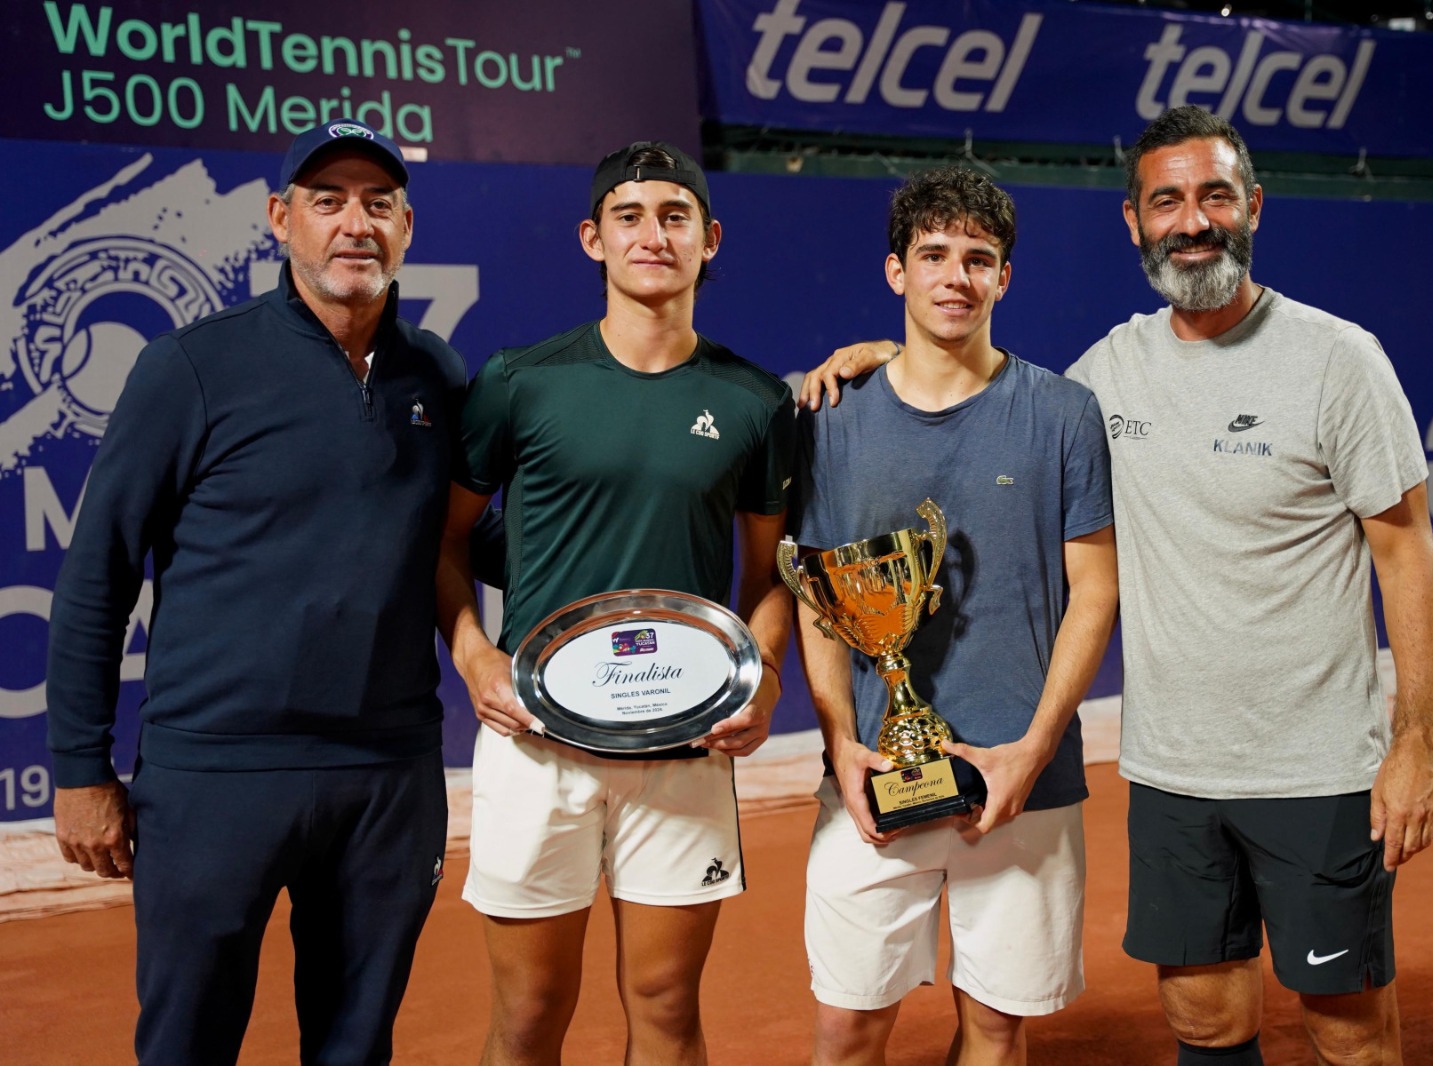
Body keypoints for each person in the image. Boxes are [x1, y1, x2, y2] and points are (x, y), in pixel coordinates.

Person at [800, 106, 1433, 1066]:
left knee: (1349, 1033)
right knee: (1203, 1021)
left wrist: (1418, 746)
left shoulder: (1338, 361)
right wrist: (879, 359)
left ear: (1253, 207)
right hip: (1172, 774)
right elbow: (973, 389)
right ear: (1134, 222)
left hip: (1316, 773)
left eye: (1214, 196)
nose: (1192, 221)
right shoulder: (1106, 376)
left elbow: (1408, 558)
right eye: (1167, 201)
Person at [47, 119, 465, 1063]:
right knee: (188, 1045)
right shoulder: (188, 369)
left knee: (355, 1049)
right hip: (215, 780)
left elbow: (473, 544)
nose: (354, 224)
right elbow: (96, 576)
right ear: (281, 220)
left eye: (377, 204)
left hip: (386, 777)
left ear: (407, 227)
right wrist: (79, 769)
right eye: (327, 202)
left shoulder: (435, 374)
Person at [434, 141, 793, 1066]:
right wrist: (475, 652)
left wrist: (765, 681)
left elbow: (767, 576)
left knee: (668, 1007)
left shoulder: (753, 402)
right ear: (592, 239)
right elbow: (441, 541)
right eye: (629, 216)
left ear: (709, 239)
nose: (652, 235)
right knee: (529, 1013)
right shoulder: (521, 381)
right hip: (534, 747)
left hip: (681, 749)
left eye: (675, 216)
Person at [790, 166, 1119, 1066]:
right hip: (872, 778)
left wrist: (1036, 745)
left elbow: (1095, 589)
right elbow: (819, 602)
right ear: (896, 271)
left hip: (1023, 781)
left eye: (979, 259)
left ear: (1004, 278)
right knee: (848, 1027)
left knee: (996, 1029)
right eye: (933, 255)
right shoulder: (830, 417)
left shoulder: (1064, 414)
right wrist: (839, 747)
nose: (956, 277)